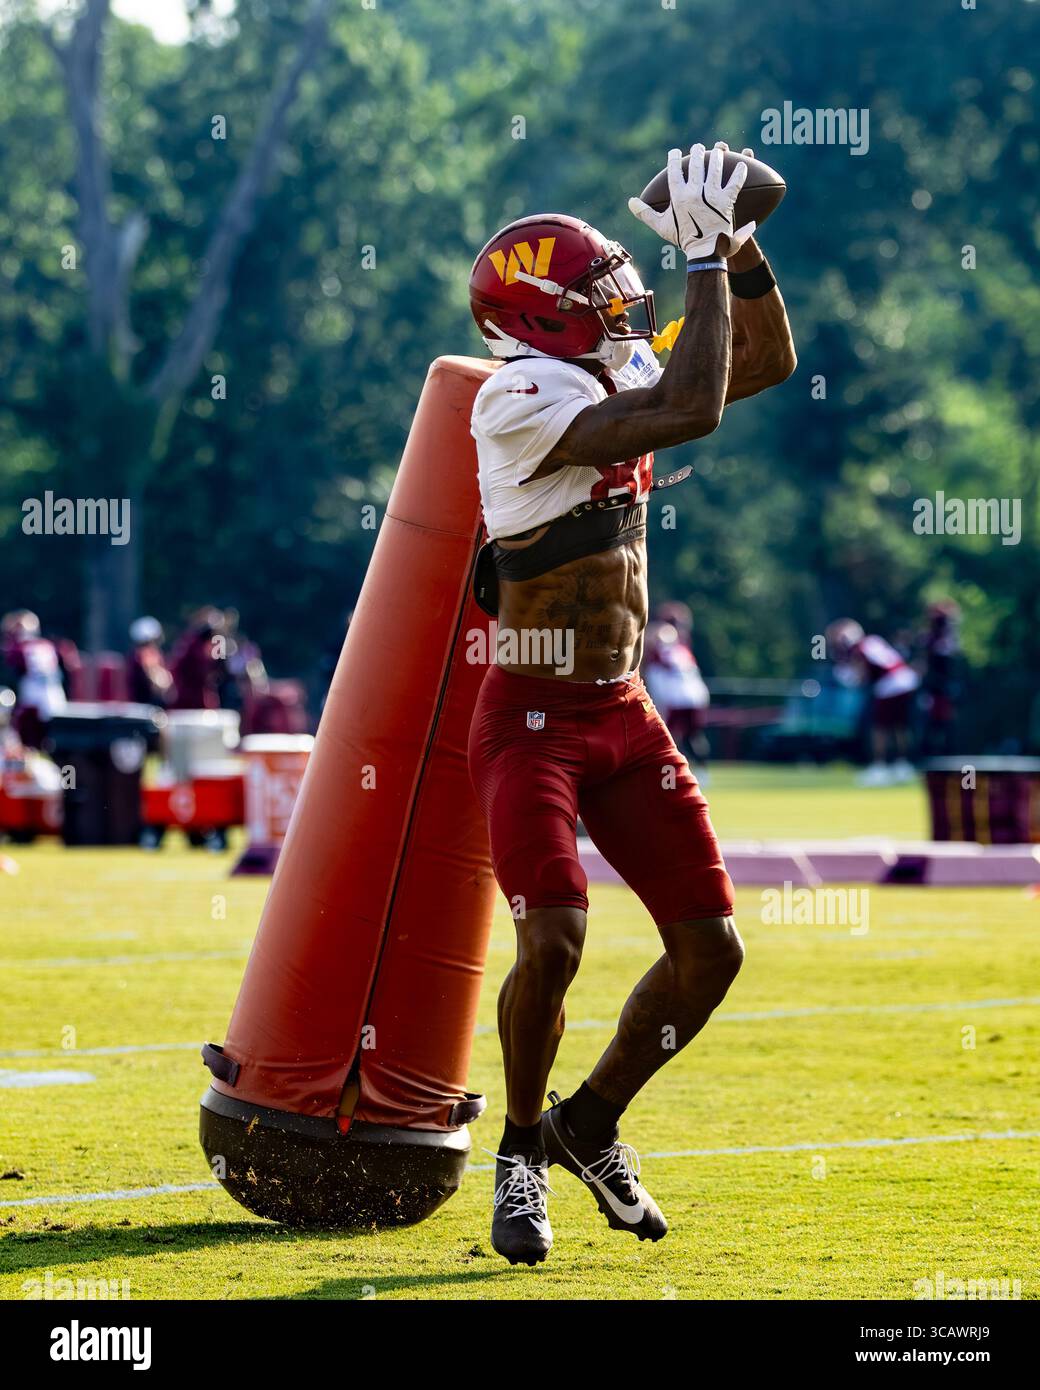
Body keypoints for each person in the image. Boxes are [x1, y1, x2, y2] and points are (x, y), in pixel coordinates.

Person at [467, 141, 796, 1264]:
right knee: (553, 935)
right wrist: (700, 252)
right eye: (597, 292)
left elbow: (761, 360)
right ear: (540, 318)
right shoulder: (518, 395)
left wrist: (740, 254)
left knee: (711, 953)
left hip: (620, 705)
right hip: (530, 714)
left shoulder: (600, 370)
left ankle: (588, 1122)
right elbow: (697, 405)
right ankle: (518, 1151)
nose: (622, 299)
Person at [825, 618, 920, 784]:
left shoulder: (859, 649)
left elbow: (861, 676)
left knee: (879, 728)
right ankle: (902, 765)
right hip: (905, 681)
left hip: (889, 686)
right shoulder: (873, 640)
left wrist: (852, 678)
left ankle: (879, 767)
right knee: (899, 726)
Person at [643, 602, 711, 767]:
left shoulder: (663, 638)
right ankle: (694, 770)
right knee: (690, 737)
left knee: (670, 736)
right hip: (693, 695)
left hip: (675, 696)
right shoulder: (683, 645)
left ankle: (674, 770)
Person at [0, 610, 67, 748]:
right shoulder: (47, 645)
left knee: (27, 746)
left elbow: (11, 675)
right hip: (56, 701)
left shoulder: (19, 649)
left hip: (32, 705)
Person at [127, 616, 175, 708]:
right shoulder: (147, 655)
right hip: (149, 707)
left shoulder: (135, 655)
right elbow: (159, 682)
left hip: (141, 705)